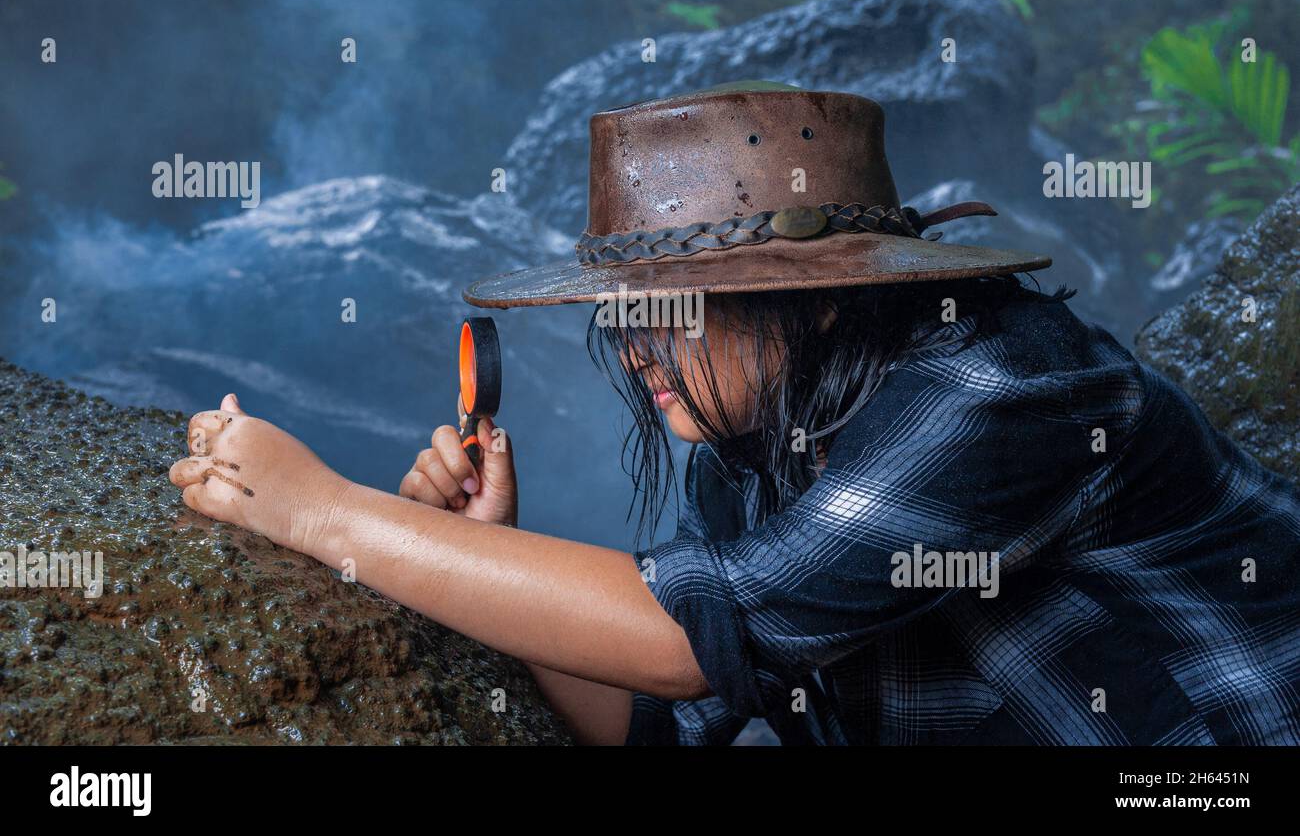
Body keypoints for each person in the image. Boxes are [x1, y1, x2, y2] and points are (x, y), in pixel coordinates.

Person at [169, 82, 1300, 745]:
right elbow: (664, 720)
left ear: (812, 300)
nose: (629, 344)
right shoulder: (756, 444)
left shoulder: (998, 388)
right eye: (621, 312)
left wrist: (321, 512)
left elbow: (682, 641)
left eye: (667, 310)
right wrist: (482, 553)